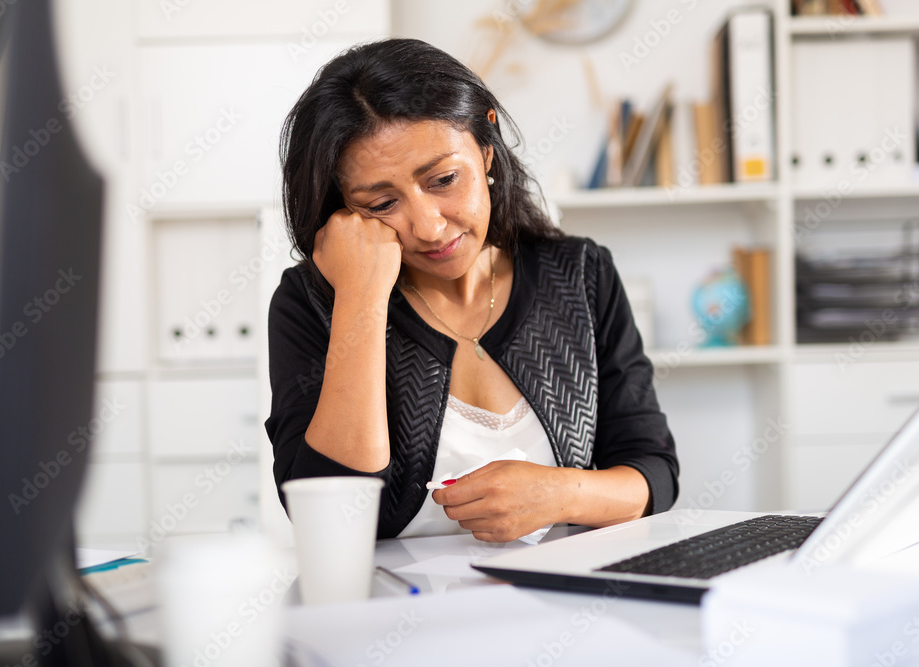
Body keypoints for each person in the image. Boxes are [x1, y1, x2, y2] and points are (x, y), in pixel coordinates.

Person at [265, 38, 678, 543]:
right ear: (343, 209)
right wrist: (361, 298)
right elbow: (330, 521)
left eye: (443, 179)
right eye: (382, 204)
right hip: (389, 595)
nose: (429, 227)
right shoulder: (311, 303)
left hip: (561, 589)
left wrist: (557, 494)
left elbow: (653, 475)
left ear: (486, 148)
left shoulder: (581, 275)